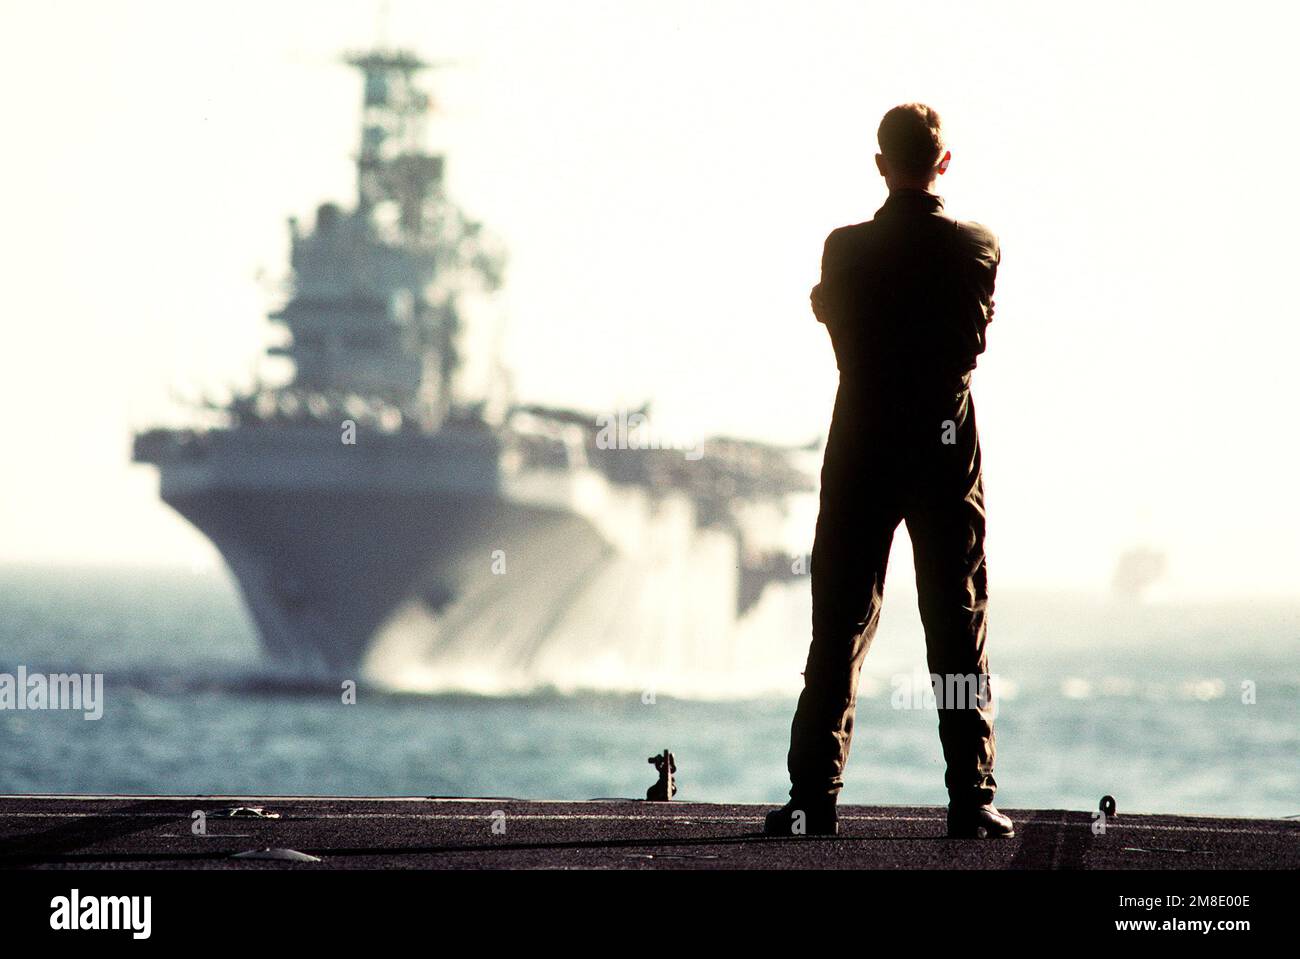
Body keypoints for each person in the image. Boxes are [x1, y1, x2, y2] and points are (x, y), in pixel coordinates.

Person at [764, 103, 1013, 839]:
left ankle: (814, 796)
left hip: (864, 441)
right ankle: (971, 797)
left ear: (881, 164)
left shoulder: (843, 250)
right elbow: (970, 338)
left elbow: (831, 313)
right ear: (943, 162)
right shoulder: (978, 246)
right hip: (943, 446)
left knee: (837, 624)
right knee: (958, 621)